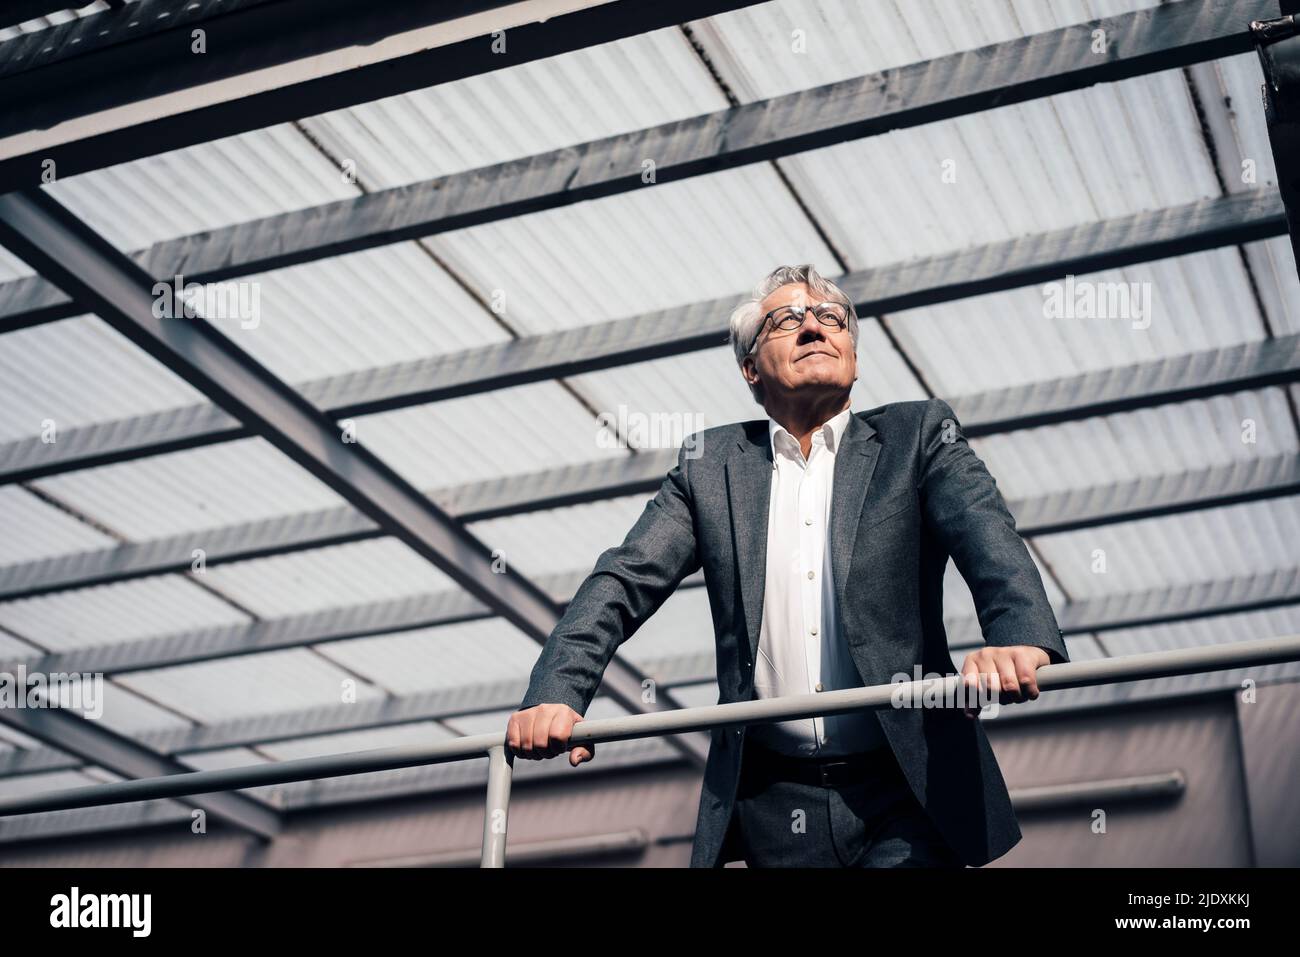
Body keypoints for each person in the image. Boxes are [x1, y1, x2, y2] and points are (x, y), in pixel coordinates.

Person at [507, 263, 1069, 867]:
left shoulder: (919, 436)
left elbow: (988, 537)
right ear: (750, 368)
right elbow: (624, 578)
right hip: (774, 802)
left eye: (832, 318)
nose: (813, 329)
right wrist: (558, 692)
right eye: (786, 320)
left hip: (908, 782)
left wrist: (1017, 639)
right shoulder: (710, 465)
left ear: (853, 355)